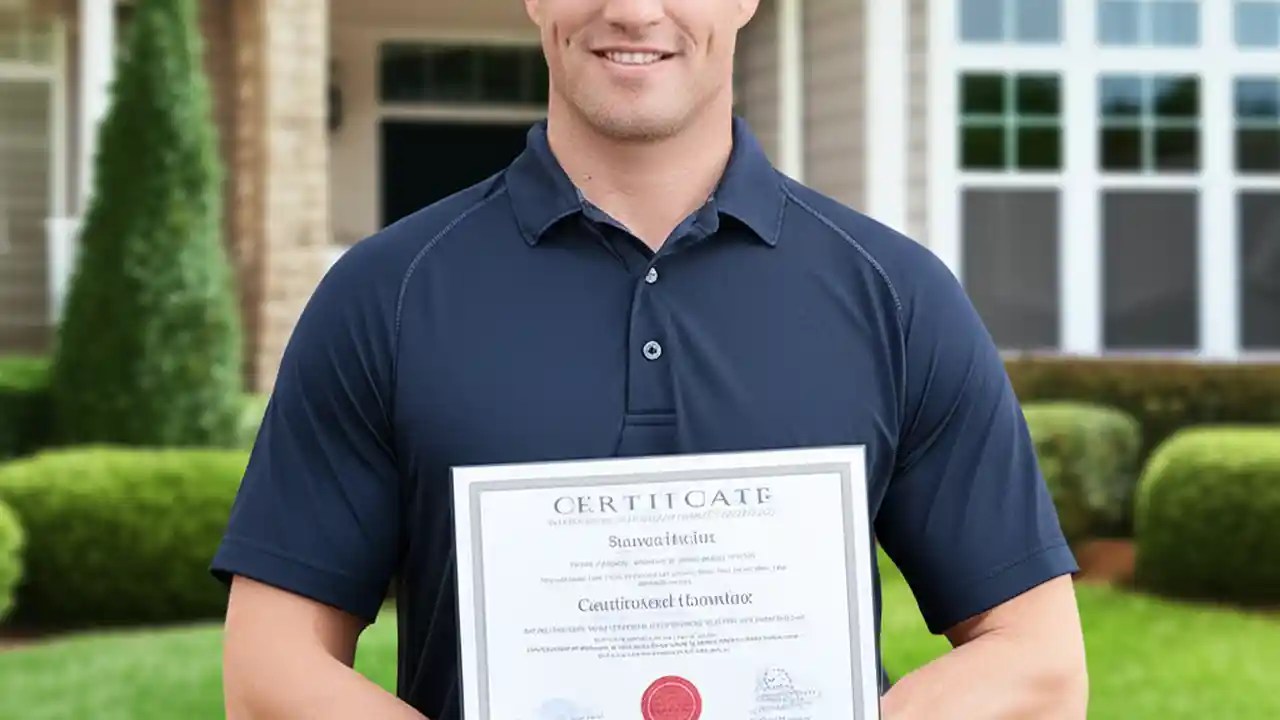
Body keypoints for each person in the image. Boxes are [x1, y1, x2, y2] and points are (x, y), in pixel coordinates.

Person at [211, 0, 1089, 718]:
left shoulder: (895, 296)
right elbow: (268, 667)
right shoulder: (385, 294)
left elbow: (1039, 665)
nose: (633, 11)